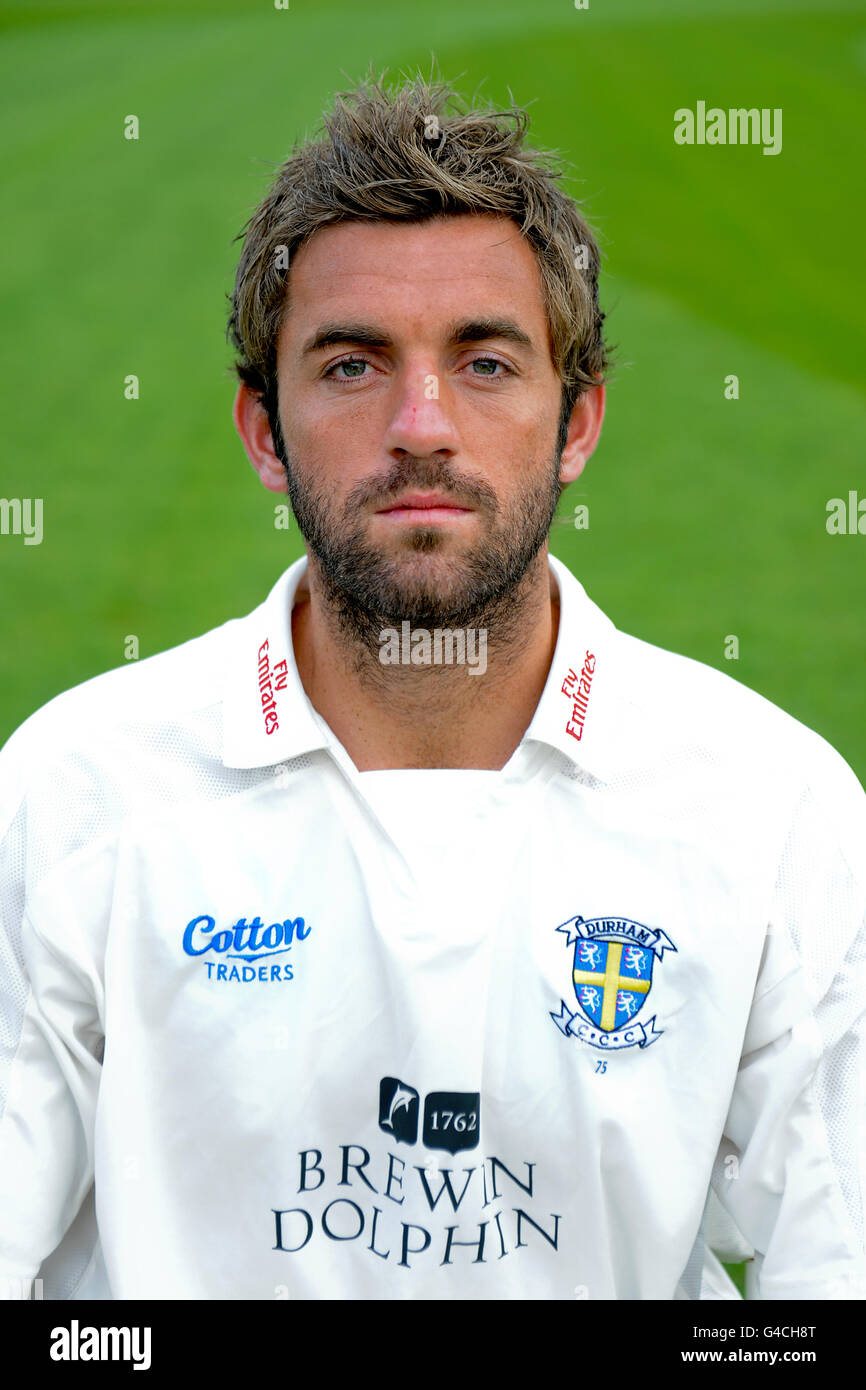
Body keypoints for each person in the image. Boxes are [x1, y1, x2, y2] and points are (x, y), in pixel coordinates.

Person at [0, 73, 863, 1302]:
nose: (420, 424)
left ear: (576, 424)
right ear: (263, 430)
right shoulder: (74, 795)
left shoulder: (772, 810)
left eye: (485, 361)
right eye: (351, 365)